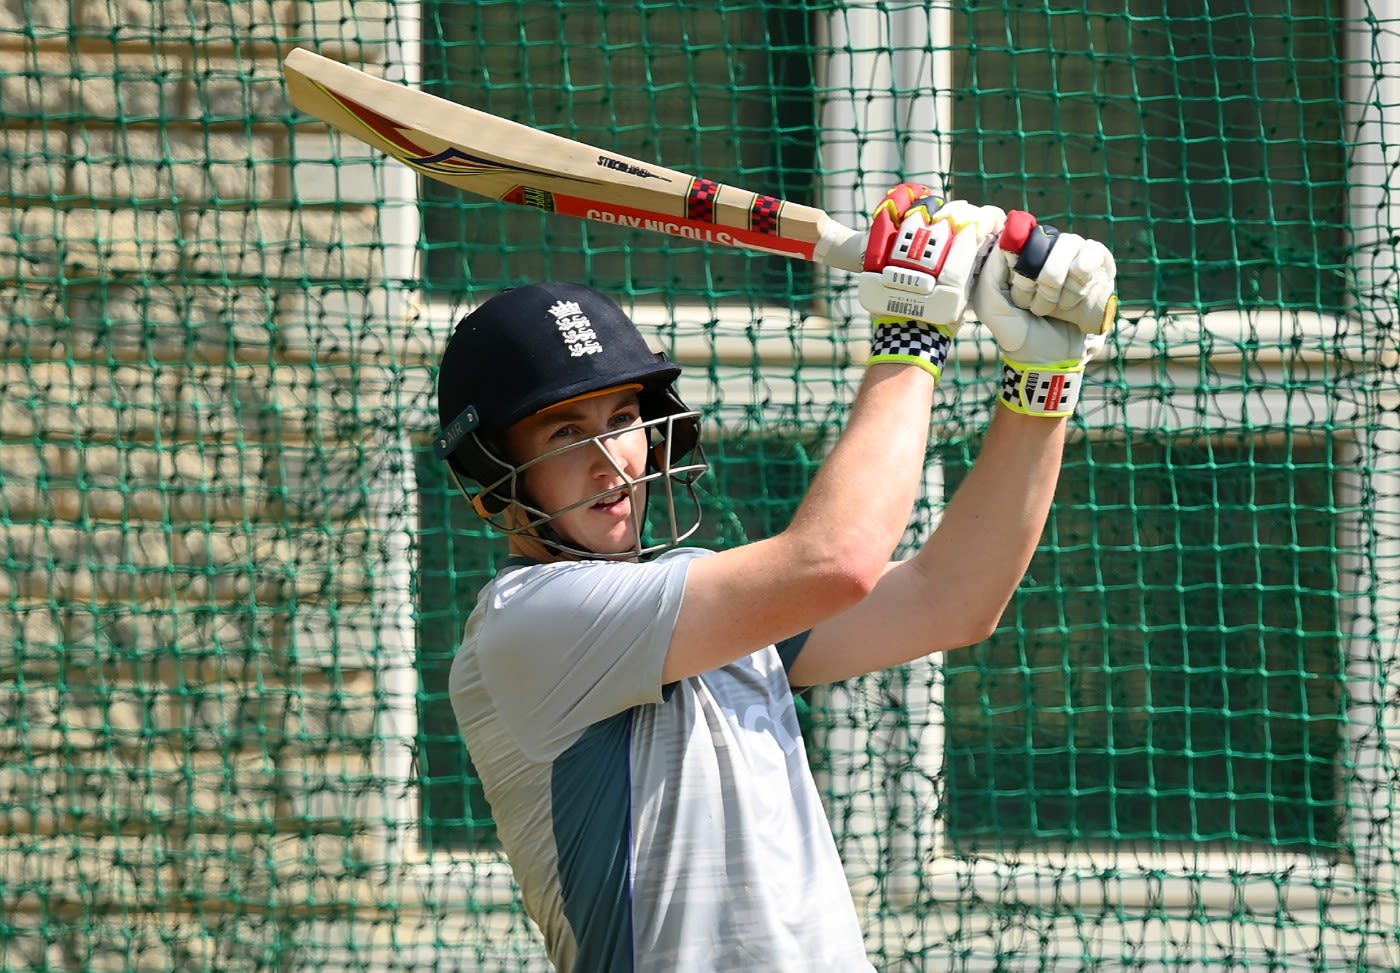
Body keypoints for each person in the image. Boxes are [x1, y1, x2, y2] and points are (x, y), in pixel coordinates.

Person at [433, 183, 1118, 972]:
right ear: (493, 481)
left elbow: (952, 598)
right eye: (565, 430)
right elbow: (837, 560)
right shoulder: (525, 625)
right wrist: (912, 332)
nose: (611, 457)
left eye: (622, 418)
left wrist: (1044, 377)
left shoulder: (699, 603)